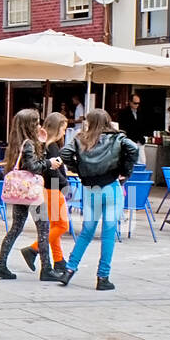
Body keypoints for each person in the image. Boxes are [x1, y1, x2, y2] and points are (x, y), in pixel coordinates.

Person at [56, 109, 139, 291]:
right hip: (111, 187)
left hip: (89, 188)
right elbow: (134, 149)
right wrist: (125, 170)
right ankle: (103, 277)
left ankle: (69, 269)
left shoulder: (80, 138)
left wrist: (78, 169)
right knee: (109, 233)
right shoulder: (117, 138)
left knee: (86, 231)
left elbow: (64, 154)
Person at [0, 110, 62, 282]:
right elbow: (32, 166)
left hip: (20, 191)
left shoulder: (18, 143)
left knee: (16, 228)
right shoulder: (29, 143)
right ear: (29, 124)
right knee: (44, 228)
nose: (39, 125)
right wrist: (49, 163)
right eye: (36, 122)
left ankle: (0, 264)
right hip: (32, 191)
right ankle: (47, 269)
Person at [23, 112, 71, 276]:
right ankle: (33, 249)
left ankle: (59, 261)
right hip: (53, 187)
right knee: (63, 226)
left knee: (56, 226)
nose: (64, 133)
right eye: (63, 129)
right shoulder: (52, 147)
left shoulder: (44, 144)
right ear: (56, 128)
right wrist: (65, 184)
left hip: (48, 188)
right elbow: (52, 171)